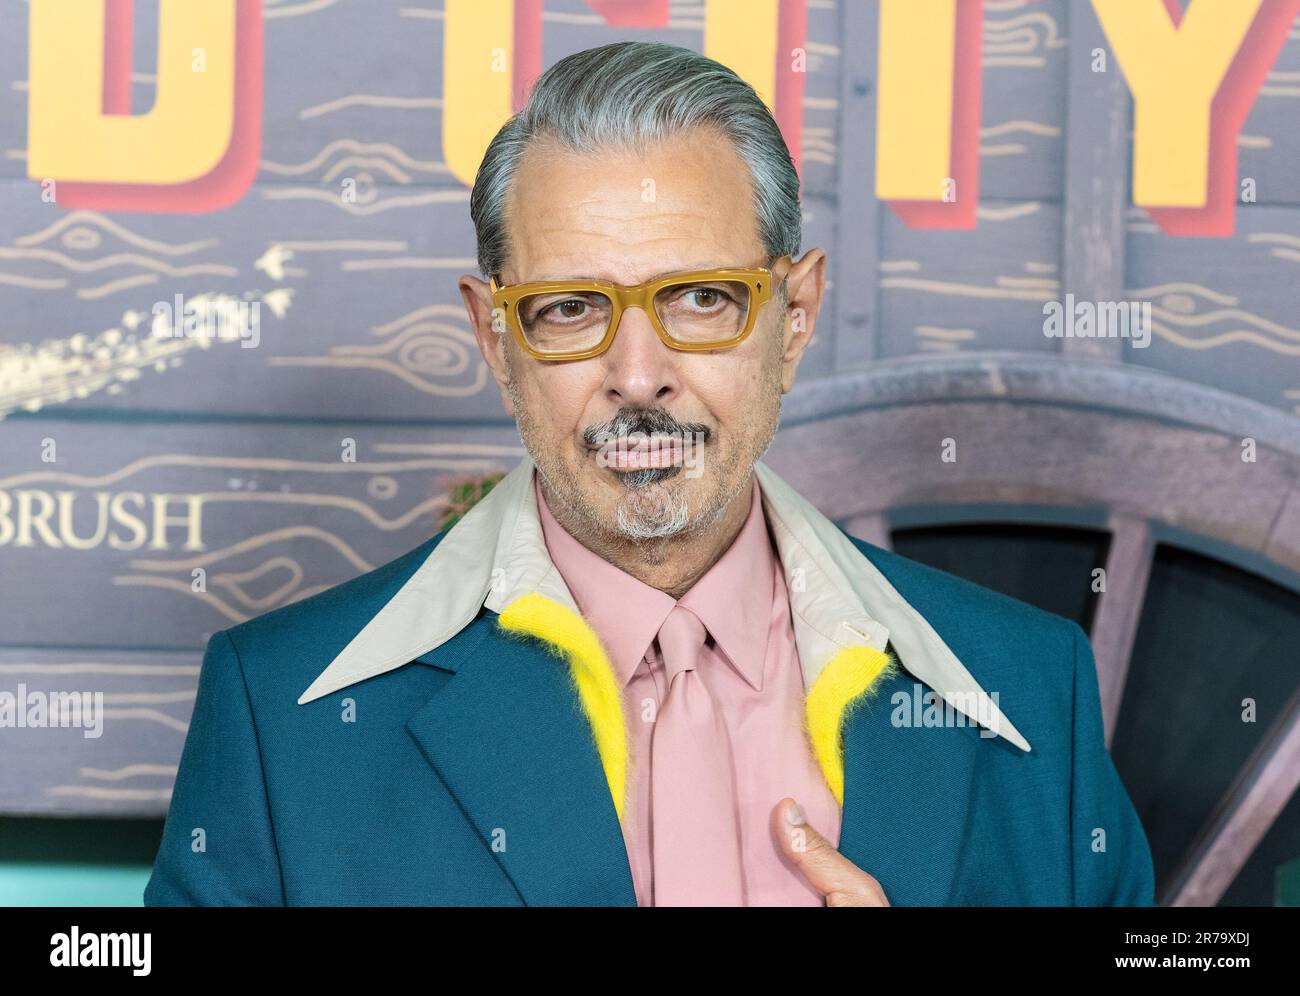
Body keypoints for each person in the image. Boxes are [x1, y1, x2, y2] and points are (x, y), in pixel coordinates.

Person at [145, 40, 1155, 907]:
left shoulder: (1029, 688)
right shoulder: (282, 715)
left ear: (793, 316)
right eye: (572, 309)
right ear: (495, 339)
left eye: (703, 299)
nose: (638, 378)